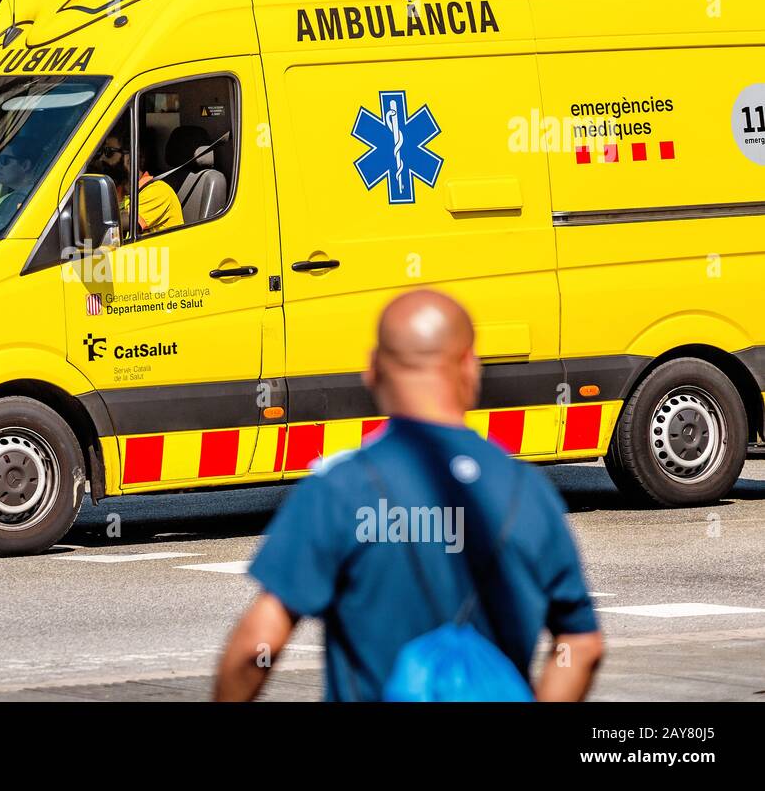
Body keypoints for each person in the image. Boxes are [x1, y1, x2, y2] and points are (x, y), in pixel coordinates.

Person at [214, 289, 604, 702]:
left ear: (374, 370)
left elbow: (259, 646)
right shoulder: (528, 492)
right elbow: (580, 645)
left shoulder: (341, 490)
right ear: (468, 367)